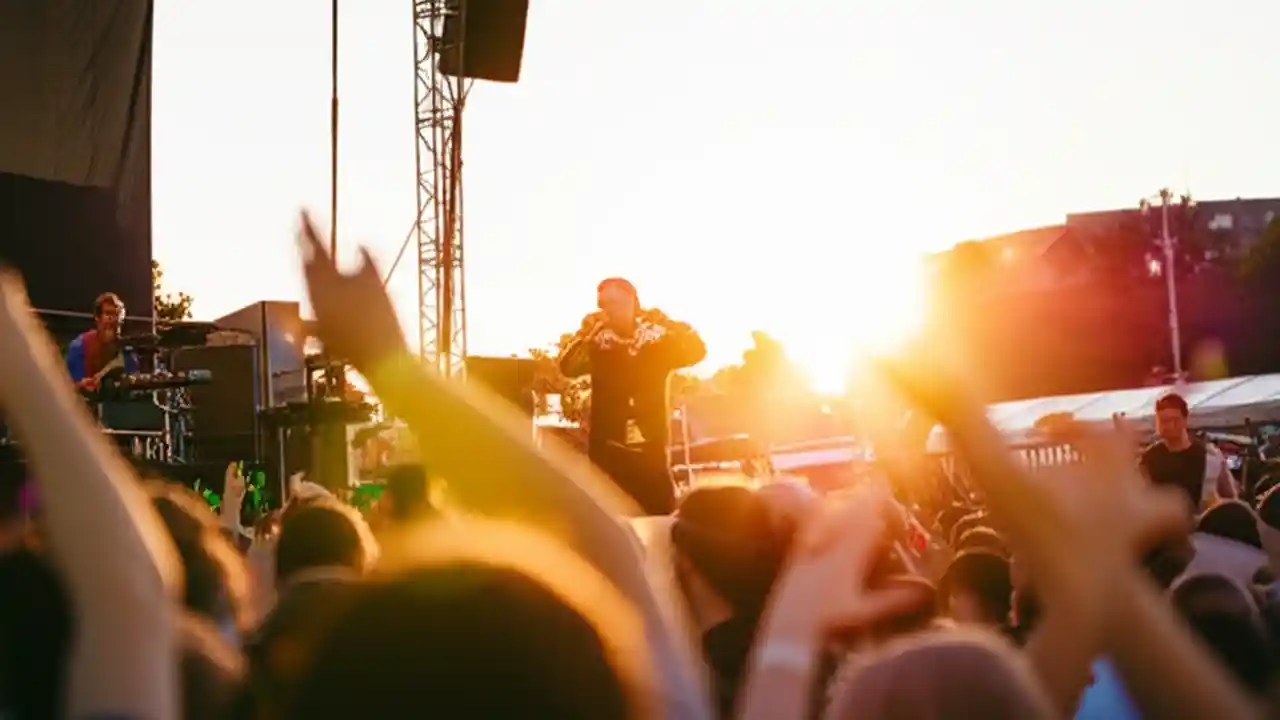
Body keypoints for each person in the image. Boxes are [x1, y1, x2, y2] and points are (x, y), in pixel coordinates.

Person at [558, 277, 705, 515]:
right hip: (608, 458)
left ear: (633, 302)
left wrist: (666, 322)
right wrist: (584, 334)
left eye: (614, 303)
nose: (608, 311)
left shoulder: (656, 343)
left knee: (658, 518)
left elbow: (697, 350)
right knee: (608, 525)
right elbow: (568, 367)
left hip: (650, 456)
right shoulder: (598, 345)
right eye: (603, 305)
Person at [1139, 393, 1237, 513]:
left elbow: (1230, 498)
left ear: (1185, 420)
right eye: (1164, 421)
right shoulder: (1149, 459)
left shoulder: (1208, 456)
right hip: (1163, 522)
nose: (1169, 425)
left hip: (1200, 521)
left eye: (1175, 420)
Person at [64, 291, 138, 392]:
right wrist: (81, 385)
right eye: (108, 314)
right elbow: (66, 385)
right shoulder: (80, 346)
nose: (113, 319)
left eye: (116, 314)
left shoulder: (126, 351)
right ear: (97, 318)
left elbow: (133, 377)